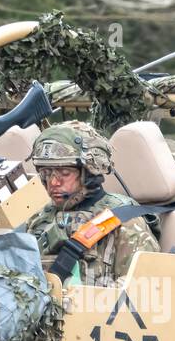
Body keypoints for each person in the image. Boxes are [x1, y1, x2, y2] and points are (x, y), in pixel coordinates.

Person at [26, 121, 157, 286]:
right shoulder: (38, 220)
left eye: (64, 173)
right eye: (45, 173)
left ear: (89, 172)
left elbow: (141, 289)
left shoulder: (125, 221)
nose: (53, 182)